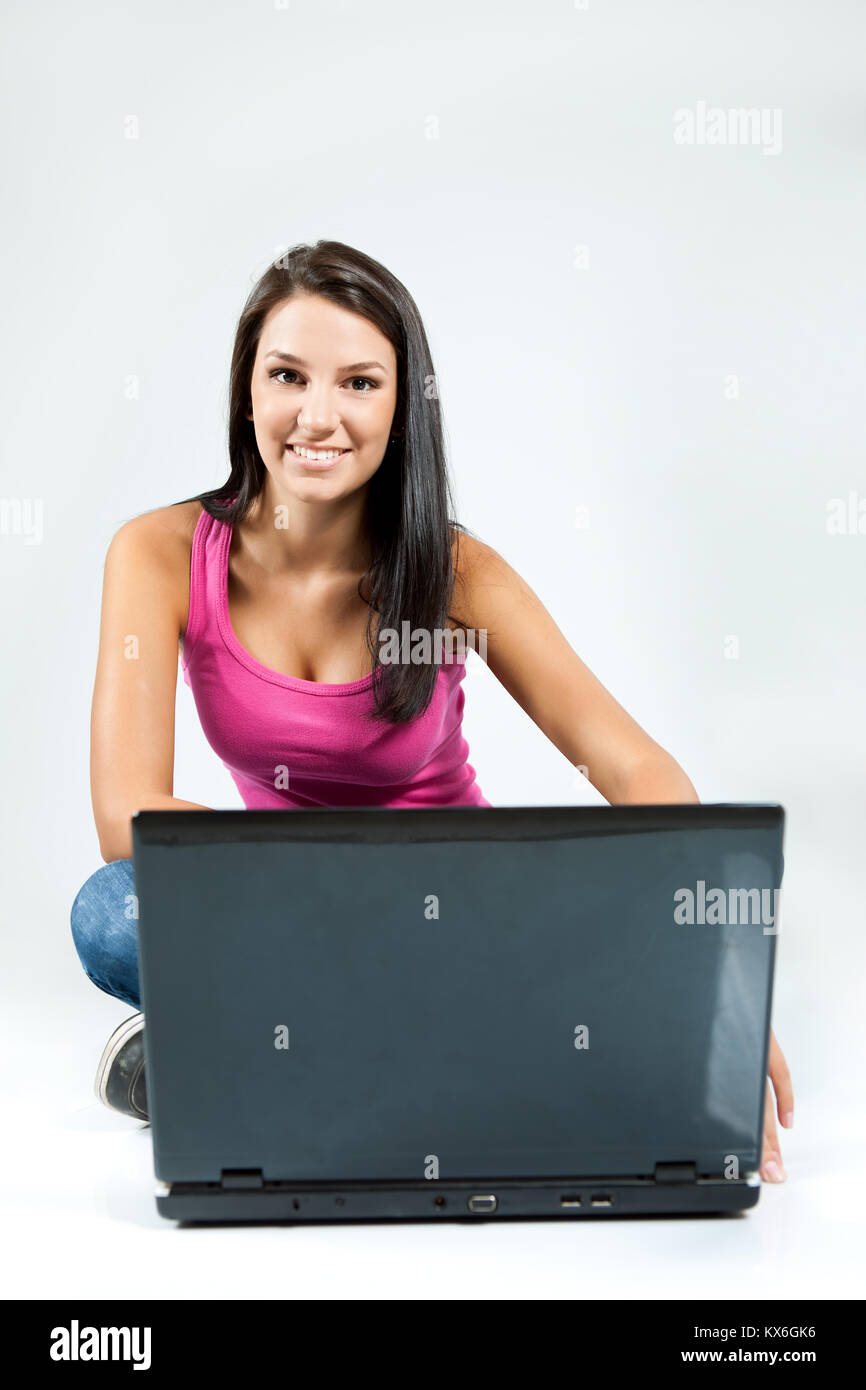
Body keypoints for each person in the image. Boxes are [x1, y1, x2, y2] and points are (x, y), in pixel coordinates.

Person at [69, 239, 793, 1181]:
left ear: (403, 408)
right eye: (287, 375)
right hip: (290, 924)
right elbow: (127, 815)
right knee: (111, 915)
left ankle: (280, 1065)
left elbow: (629, 763)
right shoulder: (159, 553)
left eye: (360, 384)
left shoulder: (456, 573)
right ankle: (430, 1068)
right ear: (247, 390)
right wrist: (332, 897)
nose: (317, 416)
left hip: (463, 925)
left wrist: (714, 966)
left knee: (586, 966)